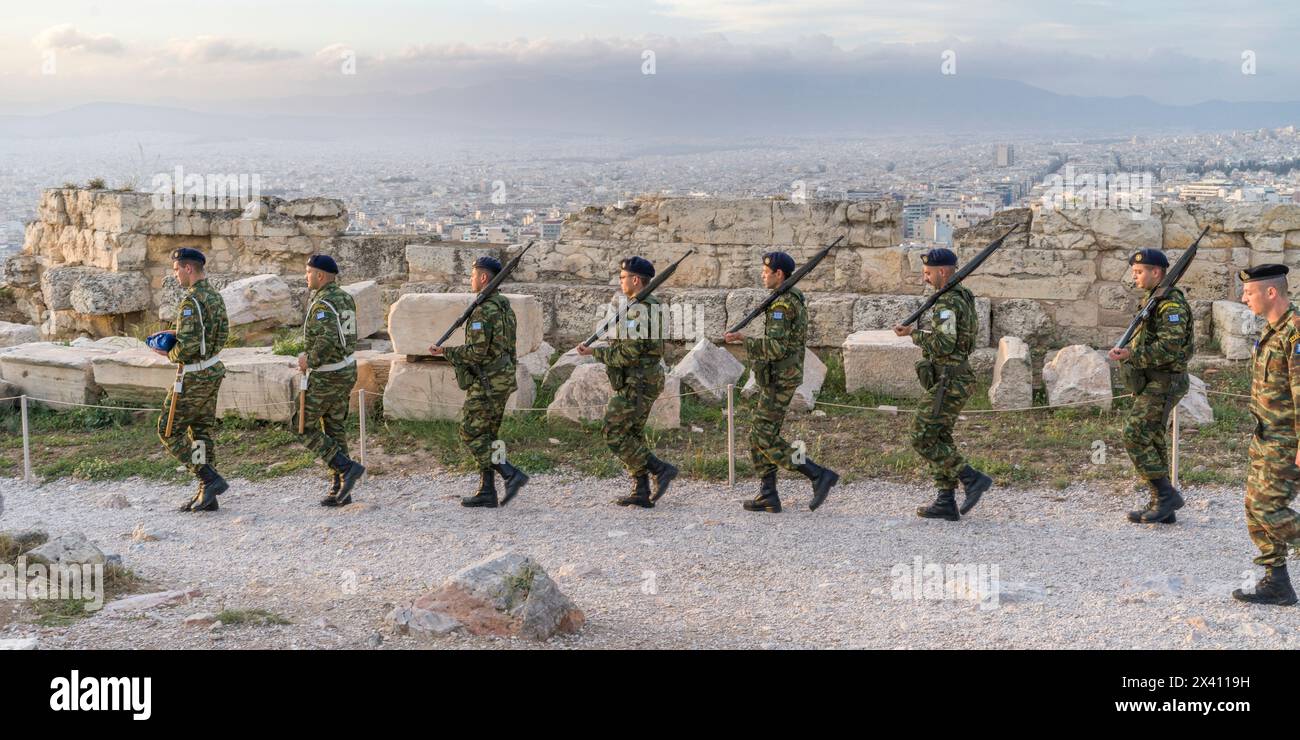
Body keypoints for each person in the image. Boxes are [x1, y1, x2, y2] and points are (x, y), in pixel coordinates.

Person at [722, 251, 839, 512]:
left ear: (780, 274)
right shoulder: (785, 299)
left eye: (767, 271)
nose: (763, 274)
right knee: (759, 436)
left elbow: (776, 348)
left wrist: (743, 340)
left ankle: (817, 473)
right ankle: (768, 493)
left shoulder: (782, 306)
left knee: (762, 435)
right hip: (779, 376)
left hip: (780, 378)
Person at [893, 248, 992, 521]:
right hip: (952, 377)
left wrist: (913, 334)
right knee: (939, 436)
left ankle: (971, 478)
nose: (925, 278)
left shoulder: (947, 303)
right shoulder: (962, 294)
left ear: (943, 272)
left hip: (949, 379)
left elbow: (944, 343)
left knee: (921, 436)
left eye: (927, 273)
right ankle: (945, 500)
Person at [576, 256, 677, 508]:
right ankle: (640, 489)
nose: (620, 282)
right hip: (640, 380)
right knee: (632, 433)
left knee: (613, 432)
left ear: (635, 279)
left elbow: (627, 354)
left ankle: (660, 468)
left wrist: (595, 352)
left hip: (637, 381)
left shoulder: (639, 310)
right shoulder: (641, 305)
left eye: (623, 277)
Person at [431, 256, 529, 507]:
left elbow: (477, 352)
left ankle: (510, 473)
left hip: (487, 382)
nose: (470, 279)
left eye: (473, 275)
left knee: (470, 432)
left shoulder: (483, 310)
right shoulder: (504, 307)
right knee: (491, 435)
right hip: (503, 378)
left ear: (484, 278)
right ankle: (487, 490)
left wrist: (446, 352)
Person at [1106, 248, 1193, 525]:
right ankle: (1162, 504)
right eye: (1134, 272)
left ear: (1157, 272)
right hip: (1153, 379)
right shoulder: (1153, 300)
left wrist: (1132, 355)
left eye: (1140, 272)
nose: (1135, 277)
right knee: (1153, 437)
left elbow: (1170, 347)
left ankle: (1166, 496)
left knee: (1134, 432)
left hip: (1166, 380)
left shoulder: (1171, 306)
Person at [1232, 263, 1300, 606]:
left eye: (1249, 292)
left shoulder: (1296, 332)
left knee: (1268, 506)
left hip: (1288, 440)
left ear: (1271, 292)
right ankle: (1277, 583)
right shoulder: (1273, 330)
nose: (1244, 298)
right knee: (1253, 508)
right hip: (1266, 437)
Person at [151, 248, 229, 513]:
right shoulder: (214, 296)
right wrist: (177, 333)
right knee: (200, 433)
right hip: (213, 369)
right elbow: (217, 332)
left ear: (187, 268)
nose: (175, 276)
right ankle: (207, 493)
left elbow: (187, 347)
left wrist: (168, 351)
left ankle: (209, 478)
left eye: (176, 270)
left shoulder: (191, 301)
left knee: (168, 430)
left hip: (194, 374)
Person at [294, 254, 365, 507]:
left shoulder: (324, 303)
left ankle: (346, 468)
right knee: (334, 427)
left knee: (300, 424)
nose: (306, 276)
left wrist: (308, 360)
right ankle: (341, 488)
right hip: (345, 369)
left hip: (328, 374)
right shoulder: (344, 297)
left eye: (309, 272)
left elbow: (327, 340)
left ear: (320, 275)